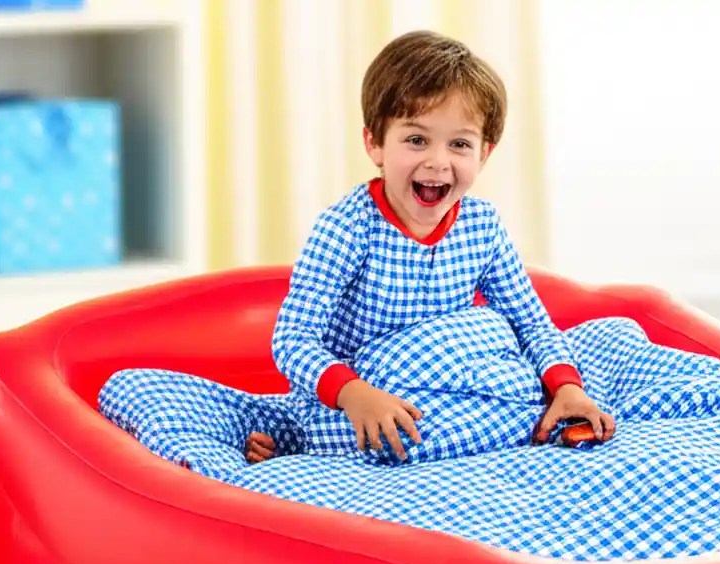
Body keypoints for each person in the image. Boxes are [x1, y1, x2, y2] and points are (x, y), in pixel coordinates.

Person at [246, 30, 614, 464]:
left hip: (456, 381)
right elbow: (294, 339)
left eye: (459, 144)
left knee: (547, 353)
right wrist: (355, 394)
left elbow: (529, 324)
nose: (438, 161)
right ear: (375, 144)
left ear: (484, 153)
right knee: (374, 428)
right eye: (417, 140)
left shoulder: (482, 225)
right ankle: (302, 443)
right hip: (366, 393)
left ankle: (516, 422)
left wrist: (567, 388)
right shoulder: (346, 228)